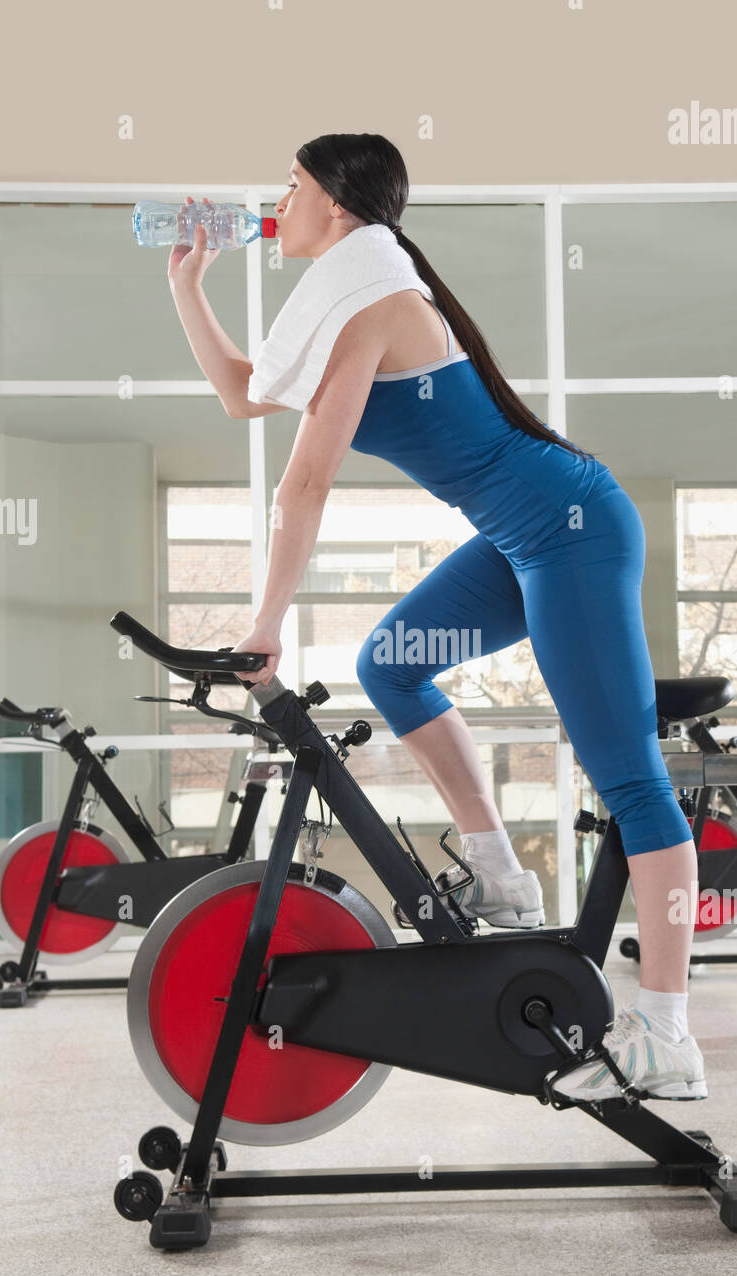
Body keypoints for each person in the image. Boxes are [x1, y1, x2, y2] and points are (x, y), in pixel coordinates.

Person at [166, 133, 705, 1103]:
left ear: (334, 202)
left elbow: (305, 481)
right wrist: (186, 286)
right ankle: (501, 872)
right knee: (392, 664)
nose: (274, 202)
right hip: (520, 534)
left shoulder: (372, 300)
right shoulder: (354, 293)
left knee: (628, 776)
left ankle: (665, 1033)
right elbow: (245, 394)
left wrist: (265, 620)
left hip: (568, 529)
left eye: (289, 186)